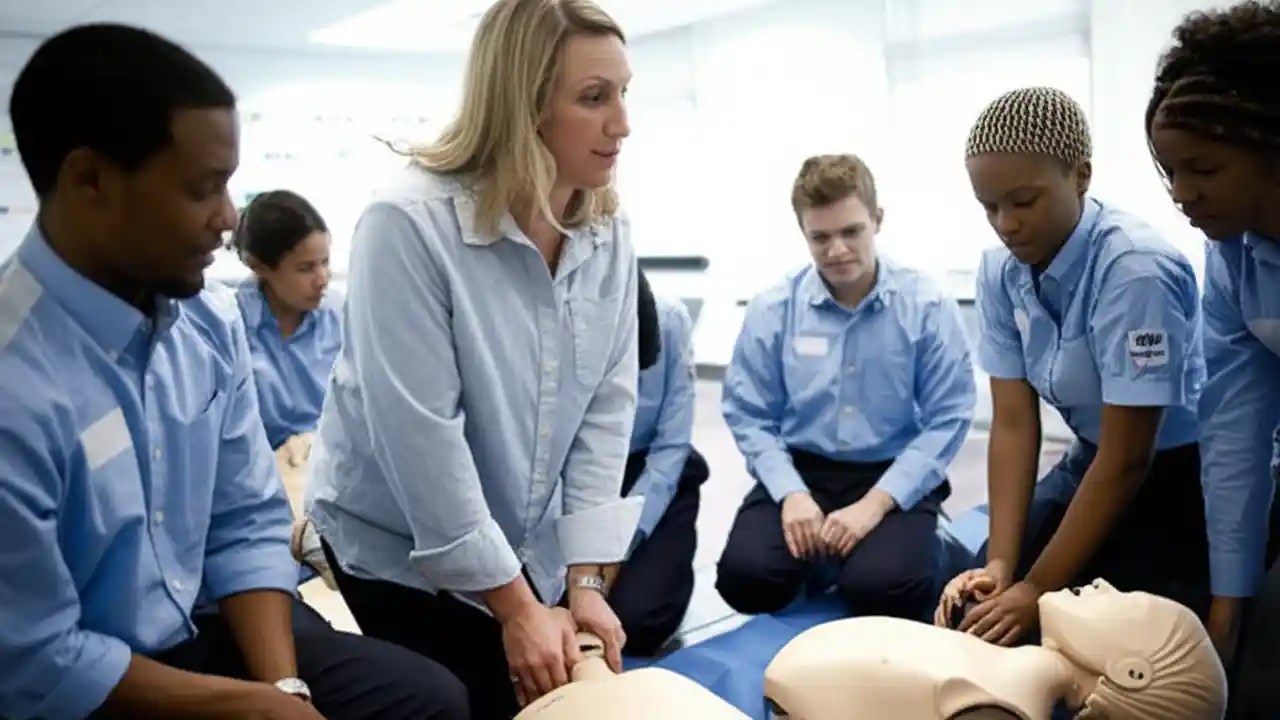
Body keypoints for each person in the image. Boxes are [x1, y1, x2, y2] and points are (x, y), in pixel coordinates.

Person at [0, 23, 466, 720]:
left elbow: (244, 520)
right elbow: (35, 661)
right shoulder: (15, 382)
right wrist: (251, 710)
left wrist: (283, 689)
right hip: (83, 681)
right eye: (203, 188)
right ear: (89, 179)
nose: (227, 219)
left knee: (429, 700)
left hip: (214, 623)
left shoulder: (206, 326)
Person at [303, 0, 640, 717]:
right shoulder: (409, 226)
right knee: (466, 701)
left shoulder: (607, 229)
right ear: (524, 105)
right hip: (395, 547)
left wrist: (585, 584)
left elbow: (605, 412)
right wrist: (517, 610)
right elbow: (422, 439)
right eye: (594, 98)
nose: (622, 123)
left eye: (623, 93)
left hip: (520, 535)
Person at [936, 86, 1210, 648]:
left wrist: (1037, 589)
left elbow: (1131, 455)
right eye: (989, 207)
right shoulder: (999, 271)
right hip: (1092, 456)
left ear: (1081, 176)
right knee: (974, 608)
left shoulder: (1135, 270)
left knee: (1115, 645)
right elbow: (1013, 425)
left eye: (1024, 201)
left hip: (1184, 473)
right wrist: (1001, 565)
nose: (1005, 224)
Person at [716, 153, 976, 622]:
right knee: (745, 580)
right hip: (805, 468)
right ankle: (833, 552)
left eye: (851, 231)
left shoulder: (928, 304)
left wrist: (875, 506)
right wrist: (791, 493)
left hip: (890, 472)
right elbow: (748, 413)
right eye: (821, 237)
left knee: (883, 588)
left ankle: (927, 545)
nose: (836, 250)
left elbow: (948, 418)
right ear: (804, 234)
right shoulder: (773, 308)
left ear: (877, 220)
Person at [1146, 2, 1280, 713]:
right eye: (1169, 170)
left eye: (1202, 168)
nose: (1180, 194)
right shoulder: (1230, 257)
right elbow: (1234, 430)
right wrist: (1228, 603)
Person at [227, 190, 341, 586]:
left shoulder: (341, 318)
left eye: (326, 261)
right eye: (306, 267)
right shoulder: (229, 327)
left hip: (336, 484)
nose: (322, 278)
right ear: (260, 267)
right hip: (266, 496)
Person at [609, 269, 707, 656]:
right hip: (567, 475)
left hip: (646, 469)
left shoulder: (669, 319)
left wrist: (622, 539)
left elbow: (672, 443)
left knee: (637, 620)